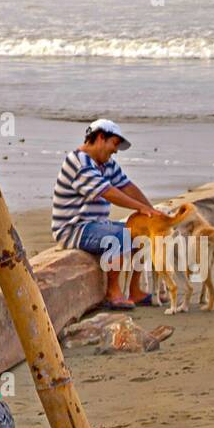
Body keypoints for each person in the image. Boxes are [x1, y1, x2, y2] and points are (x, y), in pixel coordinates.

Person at [51, 118, 168, 309]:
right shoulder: (78, 162)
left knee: (139, 233)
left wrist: (151, 210)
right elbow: (108, 191)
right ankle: (113, 292)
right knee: (120, 236)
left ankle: (135, 290)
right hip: (73, 228)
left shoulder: (106, 164)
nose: (115, 150)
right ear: (100, 137)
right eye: (114, 144)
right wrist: (140, 208)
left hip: (97, 224)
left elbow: (126, 186)